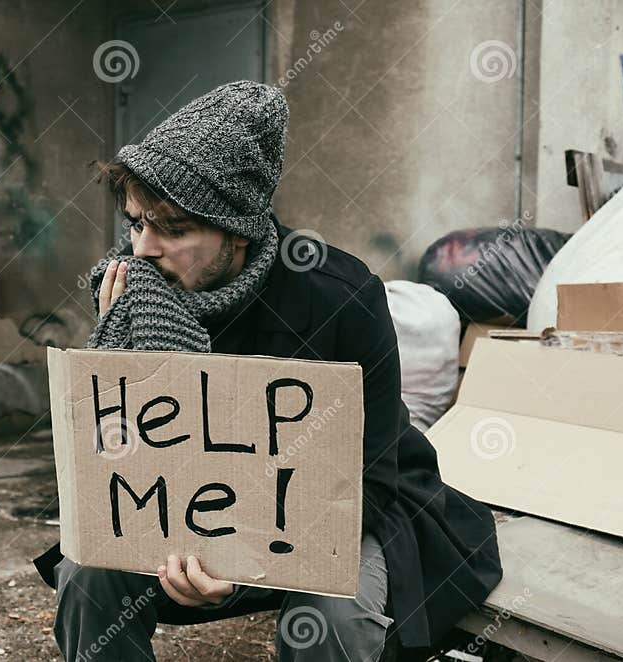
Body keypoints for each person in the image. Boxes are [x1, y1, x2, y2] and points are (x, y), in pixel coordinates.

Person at [34, 80, 502, 661]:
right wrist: (116, 363)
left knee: (335, 614)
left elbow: (370, 481)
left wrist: (241, 561)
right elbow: (116, 464)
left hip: (329, 516)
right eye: (135, 223)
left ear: (239, 229)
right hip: (188, 509)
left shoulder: (339, 297)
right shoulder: (136, 294)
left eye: (172, 229)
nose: (142, 249)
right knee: (85, 575)